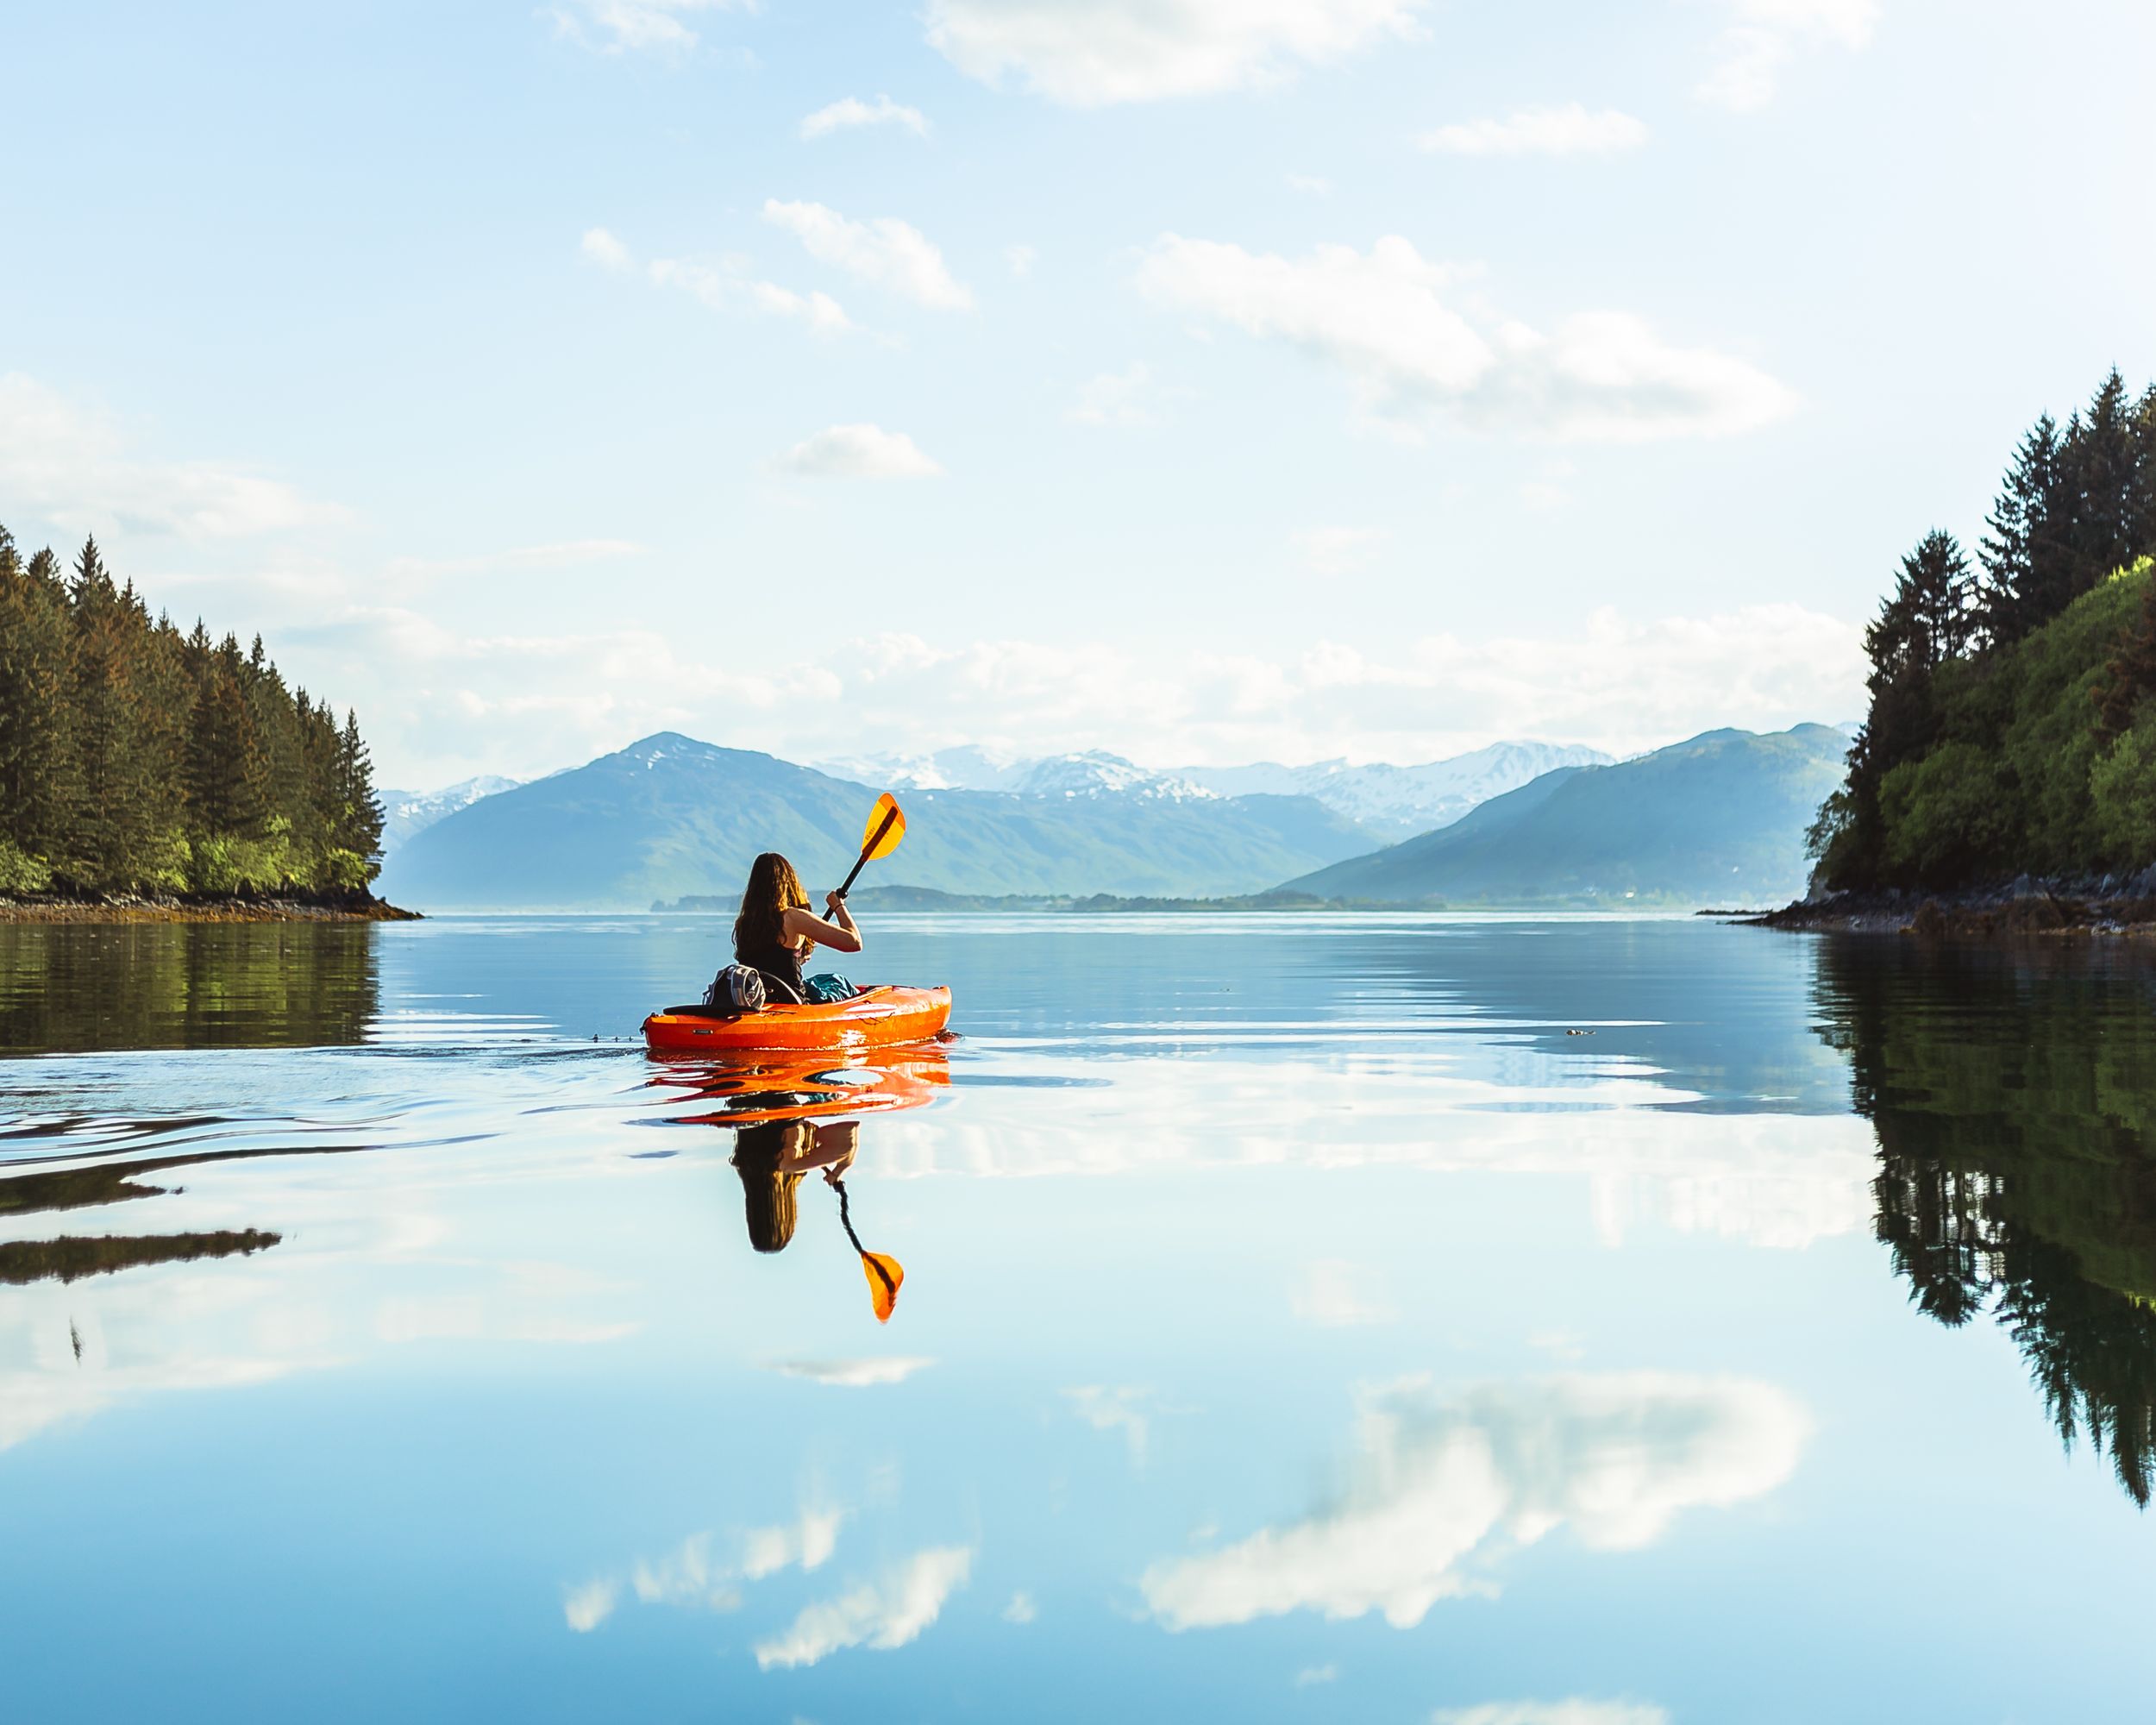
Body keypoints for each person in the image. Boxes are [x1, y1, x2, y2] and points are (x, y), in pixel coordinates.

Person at [733, 850, 862, 1006]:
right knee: (838, 982)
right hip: (793, 1002)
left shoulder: (745, 923)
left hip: (757, 1000)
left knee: (818, 983)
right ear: (788, 882)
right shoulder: (793, 917)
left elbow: (768, 963)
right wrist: (838, 905)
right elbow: (853, 942)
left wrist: (797, 960)